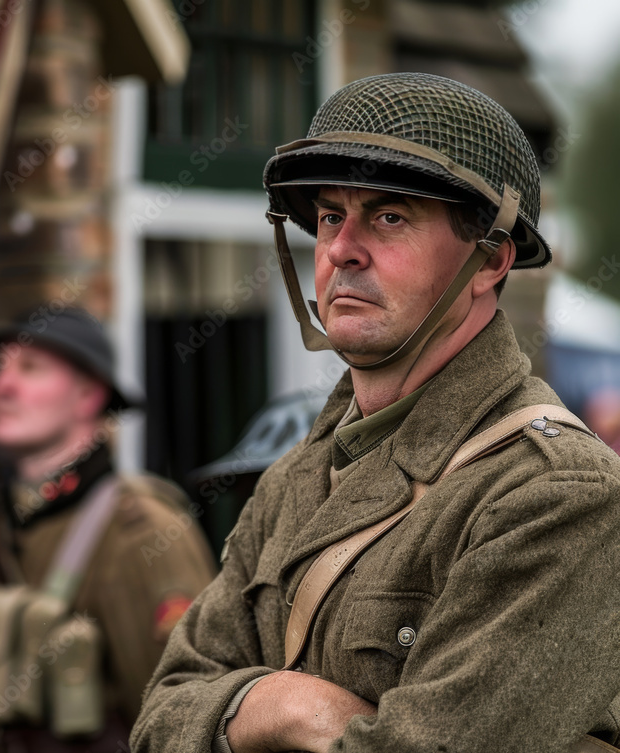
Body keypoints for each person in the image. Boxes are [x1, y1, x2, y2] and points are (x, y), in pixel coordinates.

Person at [131, 72, 620, 753]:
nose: (340, 249)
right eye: (332, 215)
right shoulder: (297, 477)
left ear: (491, 259)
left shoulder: (555, 492)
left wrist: (235, 716)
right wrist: (283, 704)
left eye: (390, 216)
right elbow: (158, 720)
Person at [0, 305, 217, 752]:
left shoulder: (139, 531)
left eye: (30, 368)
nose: (1, 386)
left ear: (88, 395)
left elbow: (182, 719)